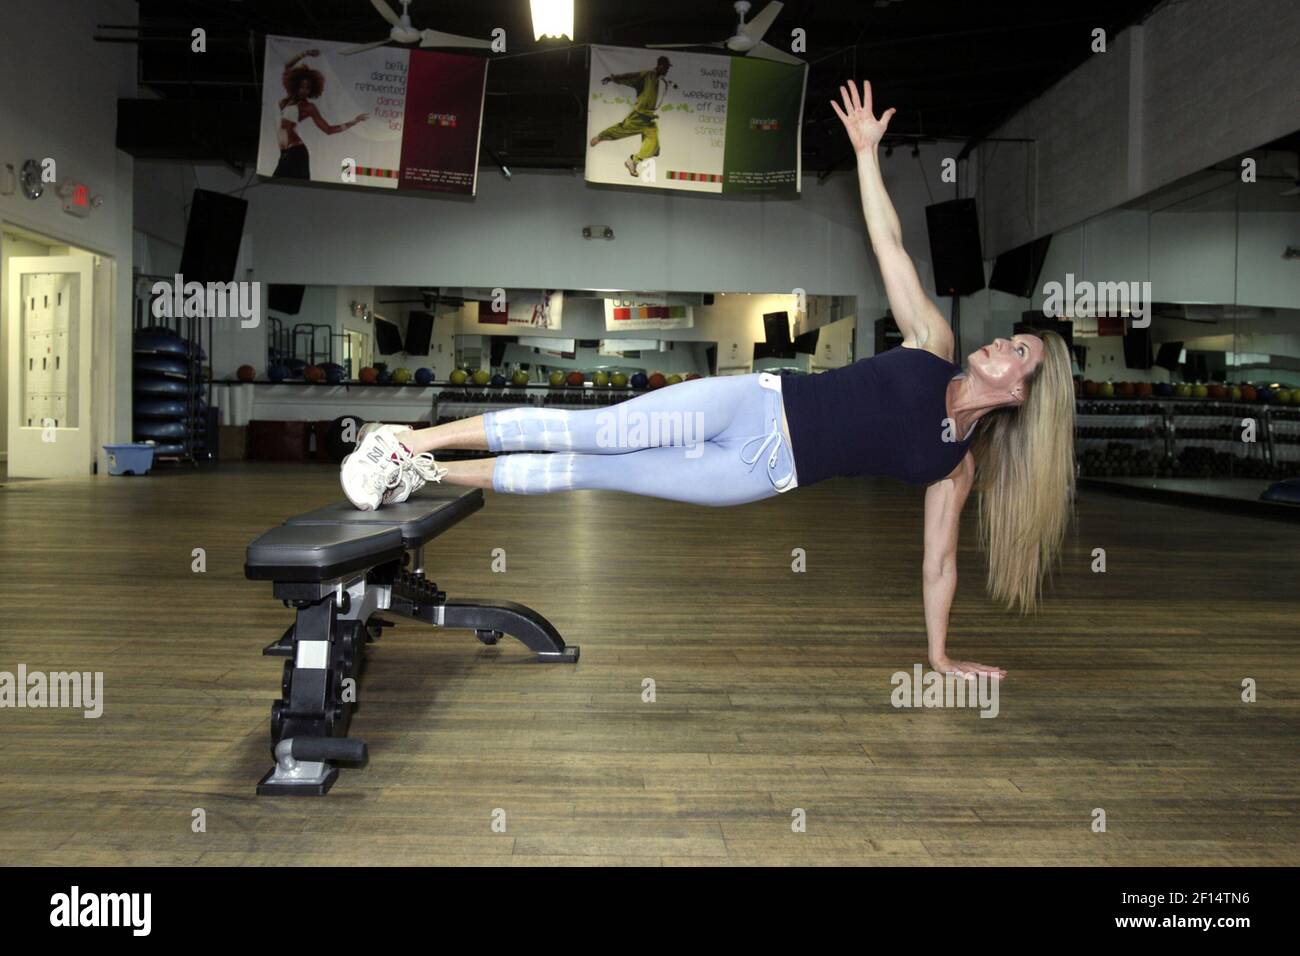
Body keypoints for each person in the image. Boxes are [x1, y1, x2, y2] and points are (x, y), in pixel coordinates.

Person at [341, 81, 1076, 679]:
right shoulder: (932, 343)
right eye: (1015, 338)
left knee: (587, 473)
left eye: (1020, 354)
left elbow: (940, 562)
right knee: (595, 431)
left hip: (754, 476)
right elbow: (890, 243)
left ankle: (427, 473)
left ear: (1019, 394)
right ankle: (402, 441)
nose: (1004, 345)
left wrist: (940, 656)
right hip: (748, 406)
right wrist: (865, 155)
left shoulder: (955, 466)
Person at [274, 49, 368, 180]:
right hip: (284, 153)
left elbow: (328, 130)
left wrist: (353, 122)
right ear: (296, 85)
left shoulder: (308, 107)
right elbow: (287, 66)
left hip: (296, 152)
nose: (304, 91)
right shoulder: (286, 100)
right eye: (302, 86)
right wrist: (304, 54)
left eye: (308, 88)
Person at [589, 56, 674, 178]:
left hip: (649, 119)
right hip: (640, 116)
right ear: (660, 66)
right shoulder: (648, 75)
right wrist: (614, 78)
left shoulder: (658, 80)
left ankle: (633, 161)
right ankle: (601, 136)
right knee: (623, 129)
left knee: (654, 147)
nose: (667, 71)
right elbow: (631, 76)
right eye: (666, 68)